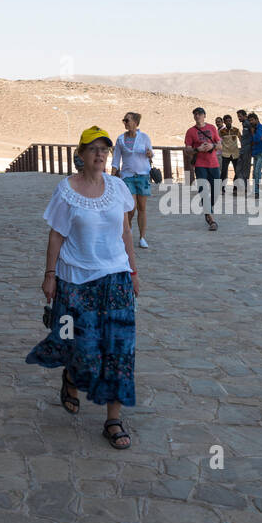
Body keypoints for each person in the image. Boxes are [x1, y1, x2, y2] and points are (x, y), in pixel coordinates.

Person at [26, 126, 139, 450]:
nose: (100, 154)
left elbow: (126, 232)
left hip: (115, 276)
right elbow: (56, 235)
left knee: (119, 349)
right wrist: (50, 275)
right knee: (84, 347)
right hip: (76, 280)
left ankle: (113, 419)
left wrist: (133, 271)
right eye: (93, 149)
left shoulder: (118, 187)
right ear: (81, 155)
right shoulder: (66, 191)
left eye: (104, 149)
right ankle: (72, 377)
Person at [111, 111, 154, 249]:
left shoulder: (144, 137)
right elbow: (116, 159)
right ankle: (126, 233)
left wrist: (149, 154)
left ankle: (142, 237)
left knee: (142, 208)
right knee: (131, 207)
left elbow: (151, 153)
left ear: (135, 122)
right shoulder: (120, 139)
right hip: (127, 176)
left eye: (127, 120)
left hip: (143, 176)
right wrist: (111, 178)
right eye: (124, 120)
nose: (125, 123)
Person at [184, 107, 221, 229]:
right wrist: (197, 149)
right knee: (203, 190)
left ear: (204, 115)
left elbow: (220, 145)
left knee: (216, 191)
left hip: (214, 164)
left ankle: (207, 209)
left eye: (199, 114)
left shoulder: (212, 128)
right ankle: (211, 219)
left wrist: (212, 146)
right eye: (195, 114)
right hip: (200, 165)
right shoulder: (190, 131)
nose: (197, 116)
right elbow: (187, 150)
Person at [248, 113, 262, 199]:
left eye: (252, 120)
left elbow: (256, 139)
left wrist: (253, 134)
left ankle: (257, 192)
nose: (251, 122)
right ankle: (255, 191)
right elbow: (253, 141)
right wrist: (255, 139)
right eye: (249, 120)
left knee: (257, 171)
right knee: (254, 173)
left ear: (257, 119)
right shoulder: (254, 129)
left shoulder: (261, 128)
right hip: (256, 153)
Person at [219, 114, 241, 186]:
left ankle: (235, 187)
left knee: (237, 172)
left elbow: (241, 140)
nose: (229, 122)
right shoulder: (221, 131)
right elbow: (218, 141)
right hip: (225, 154)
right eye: (227, 121)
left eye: (230, 120)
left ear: (232, 121)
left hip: (235, 154)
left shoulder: (236, 130)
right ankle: (222, 188)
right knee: (224, 172)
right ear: (224, 122)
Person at [236, 108, 252, 190]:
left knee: (245, 169)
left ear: (245, 116)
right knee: (239, 168)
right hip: (243, 149)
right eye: (238, 117)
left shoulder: (247, 124)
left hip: (247, 150)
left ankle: (245, 187)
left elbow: (250, 137)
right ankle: (243, 186)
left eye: (240, 116)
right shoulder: (244, 124)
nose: (239, 118)